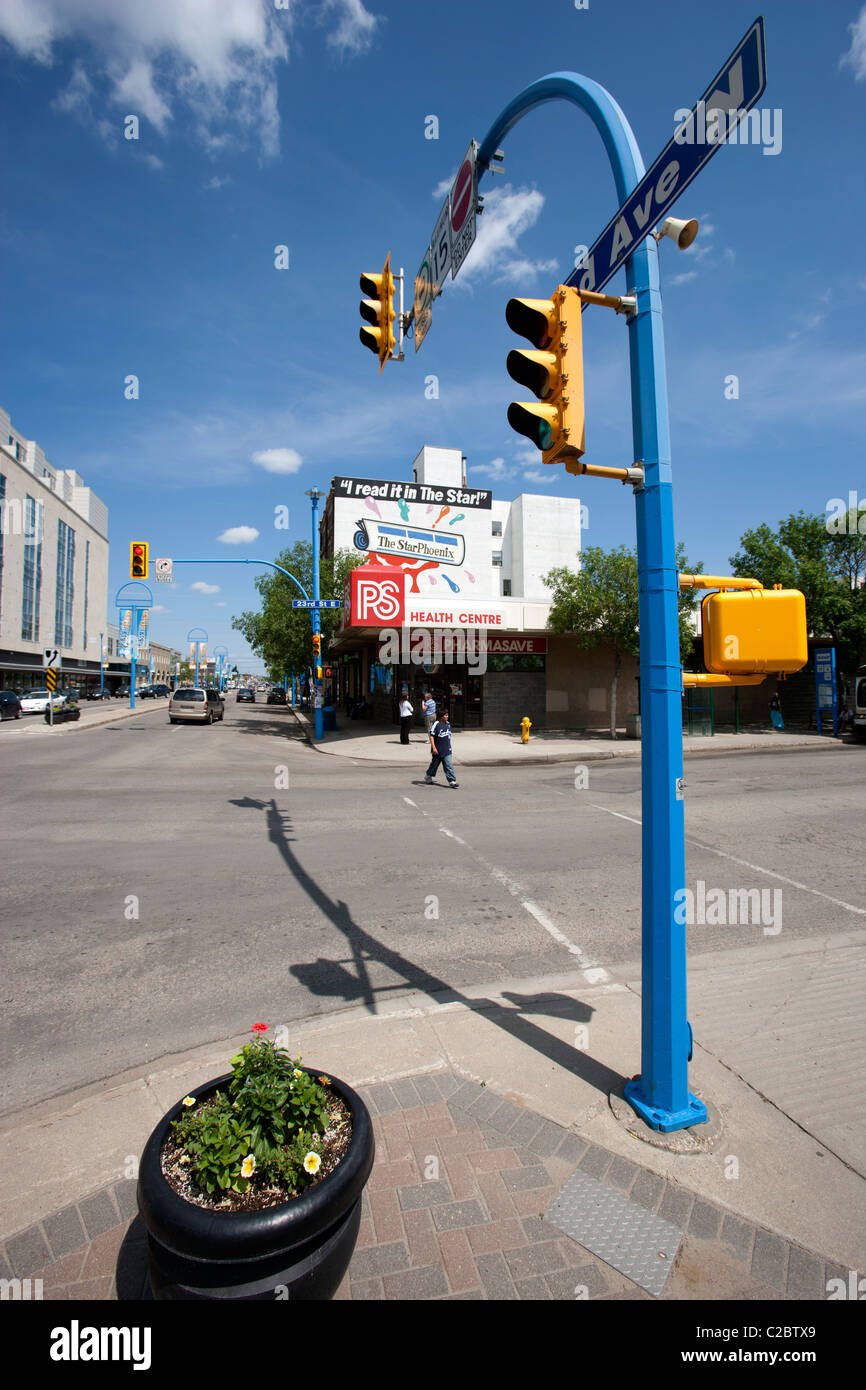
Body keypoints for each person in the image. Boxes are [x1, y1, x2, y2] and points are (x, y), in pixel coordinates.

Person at [425, 707, 458, 787]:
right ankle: (428, 776)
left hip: (447, 749)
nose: (447, 717)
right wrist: (434, 748)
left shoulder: (448, 724)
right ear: (441, 716)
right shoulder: (436, 724)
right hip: (437, 750)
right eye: (445, 715)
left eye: (447, 715)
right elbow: (431, 735)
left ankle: (452, 781)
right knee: (434, 765)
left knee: (449, 765)